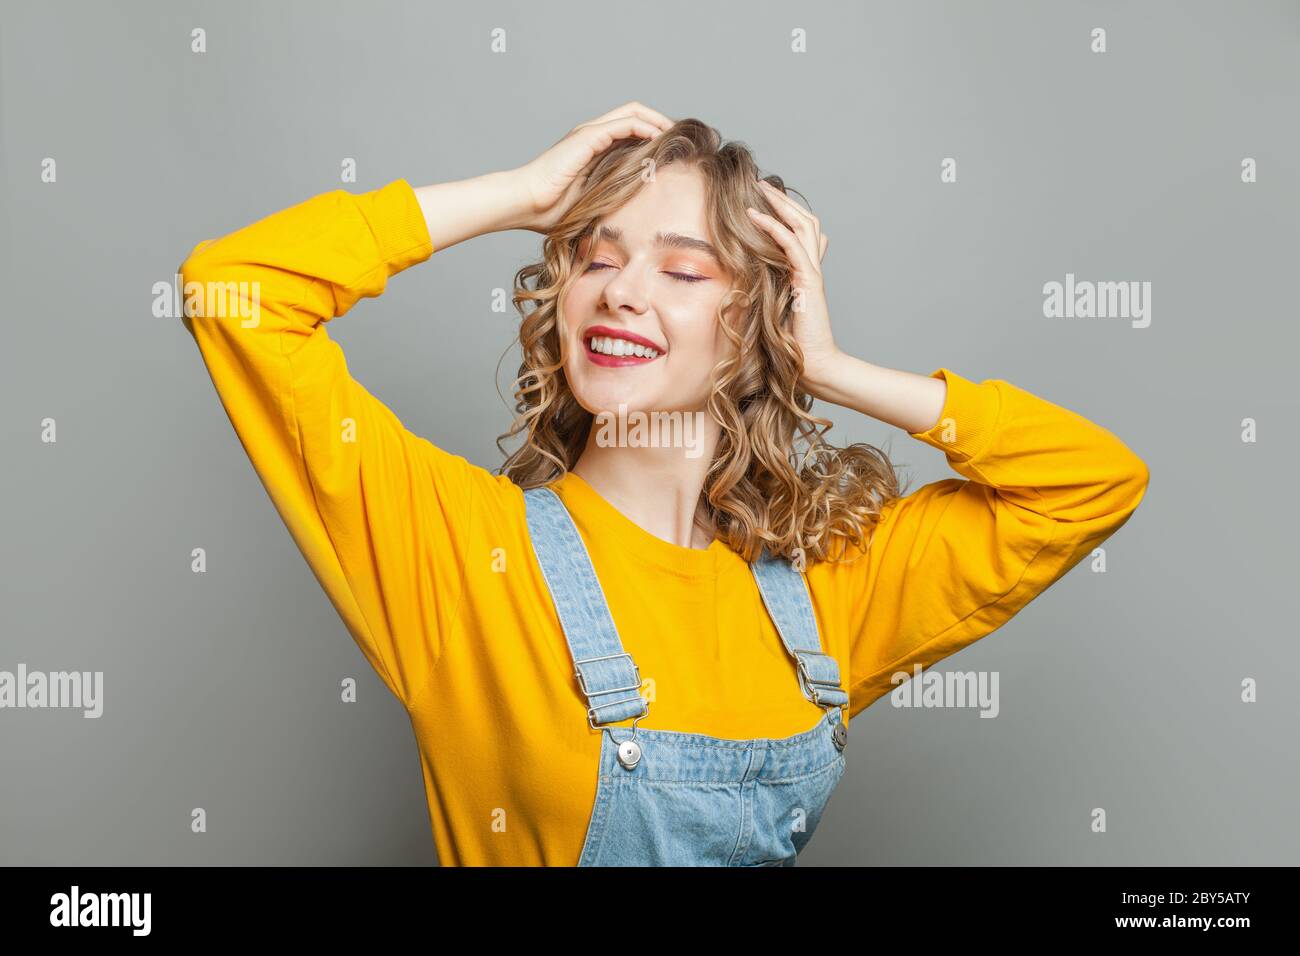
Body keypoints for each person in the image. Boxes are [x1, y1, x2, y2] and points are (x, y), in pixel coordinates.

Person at [177, 101, 1149, 866]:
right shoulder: (463, 552)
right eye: (594, 256)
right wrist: (518, 194)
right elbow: (235, 292)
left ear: (755, 327)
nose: (620, 287)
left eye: (682, 272)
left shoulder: (822, 596)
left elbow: (1092, 482)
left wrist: (831, 367)